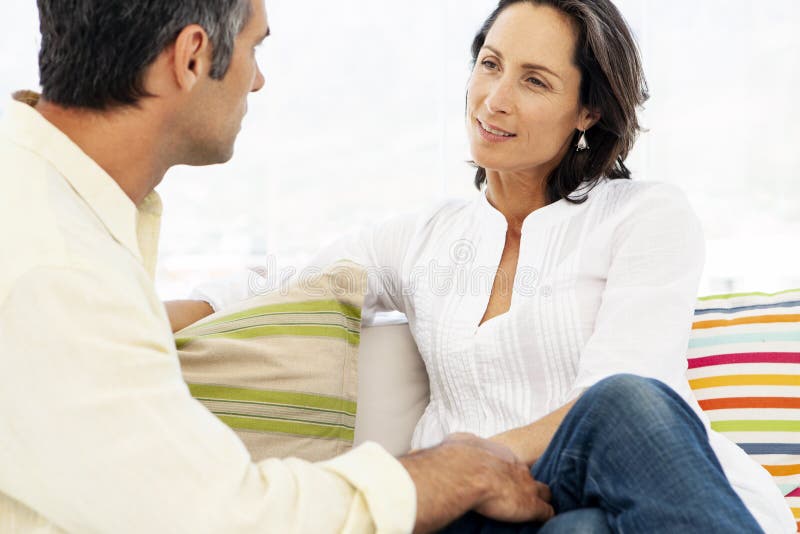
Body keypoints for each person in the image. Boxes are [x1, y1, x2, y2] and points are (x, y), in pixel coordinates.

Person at [184, 0, 796, 532]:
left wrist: (464, 462)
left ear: (587, 112)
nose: (494, 99)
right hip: (475, 518)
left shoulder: (644, 217)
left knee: (613, 433)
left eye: (535, 81)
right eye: (490, 64)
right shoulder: (422, 238)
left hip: (628, 492)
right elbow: (267, 287)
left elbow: (629, 389)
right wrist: (123, 319)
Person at [0, 1, 558, 532]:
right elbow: (223, 517)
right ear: (192, 57)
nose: (258, 80)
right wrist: (451, 472)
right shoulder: (58, 271)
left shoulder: (45, 209)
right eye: (254, 48)